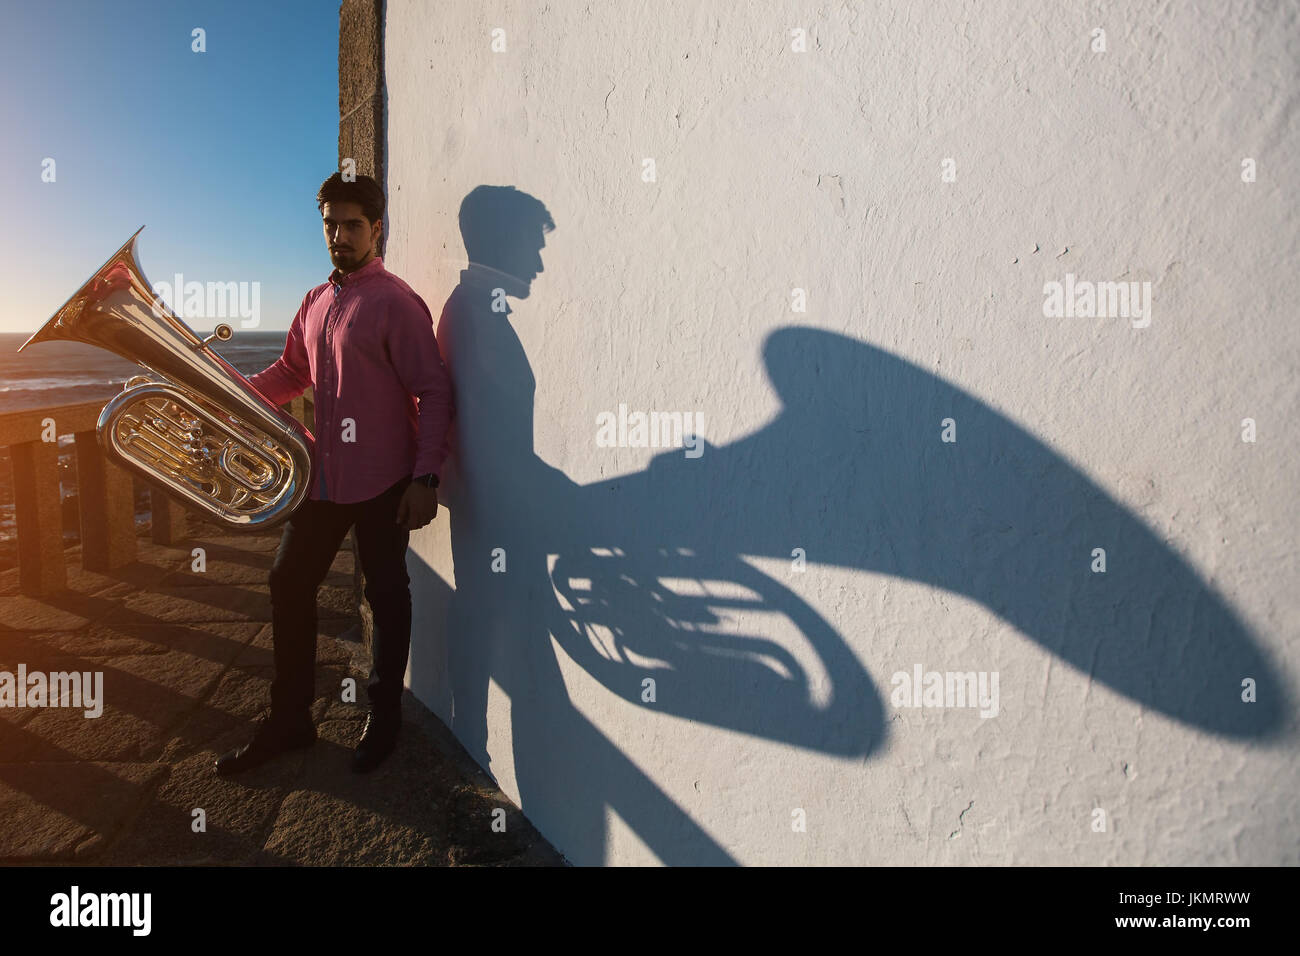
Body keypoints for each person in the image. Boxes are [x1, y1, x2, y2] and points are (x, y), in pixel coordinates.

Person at [215, 171, 453, 776]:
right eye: (330, 225)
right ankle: (290, 719)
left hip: (386, 482)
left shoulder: (397, 302)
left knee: (386, 593)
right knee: (287, 582)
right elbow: (289, 374)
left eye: (351, 225)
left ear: (377, 229)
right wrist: (225, 392)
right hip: (323, 479)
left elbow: (434, 391)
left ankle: (385, 716)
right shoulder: (315, 302)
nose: (339, 235)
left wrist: (426, 479)